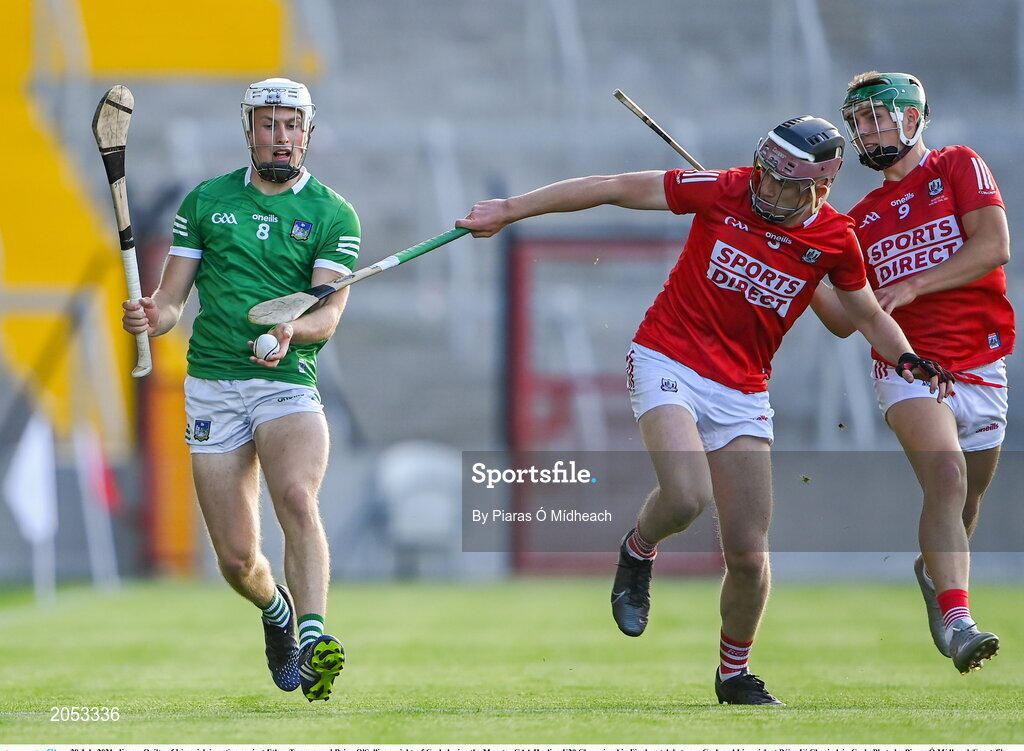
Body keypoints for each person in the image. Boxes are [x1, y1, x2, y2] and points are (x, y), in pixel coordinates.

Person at [457, 115, 954, 705]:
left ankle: (733, 674)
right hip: (668, 357)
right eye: (764, 173)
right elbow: (612, 187)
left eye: (781, 184)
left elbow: (861, 317)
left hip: (743, 389)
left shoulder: (834, 240)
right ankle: (637, 549)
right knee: (688, 497)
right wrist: (509, 209)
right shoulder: (723, 188)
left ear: (819, 188)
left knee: (748, 554)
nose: (764, 188)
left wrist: (907, 356)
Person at [122, 78, 358, 702]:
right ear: (249, 130)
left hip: (286, 382)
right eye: (268, 124)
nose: (281, 137)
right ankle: (277, 612)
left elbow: (327, 317)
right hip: (213, 386)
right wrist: (150, 315)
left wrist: (291, 330)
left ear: (307, 133)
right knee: (236, 559)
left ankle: (312, 640)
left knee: (298, 499)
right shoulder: (206, 201)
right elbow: (171, 302)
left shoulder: (334, 214)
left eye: (292, 125)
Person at [811, 72, 1013, 674]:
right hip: (909, 366)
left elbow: (993, 245)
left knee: (966, 499)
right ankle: (959, 621)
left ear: (913, 117)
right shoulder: (856, 222)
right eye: (860, 122)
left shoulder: (957, 165)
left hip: (980, 361)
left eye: (878, 117)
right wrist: (801, 256)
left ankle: (932, 571)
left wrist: (915, 284)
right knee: (946, 475)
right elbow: (843, 321)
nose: (868, 131)